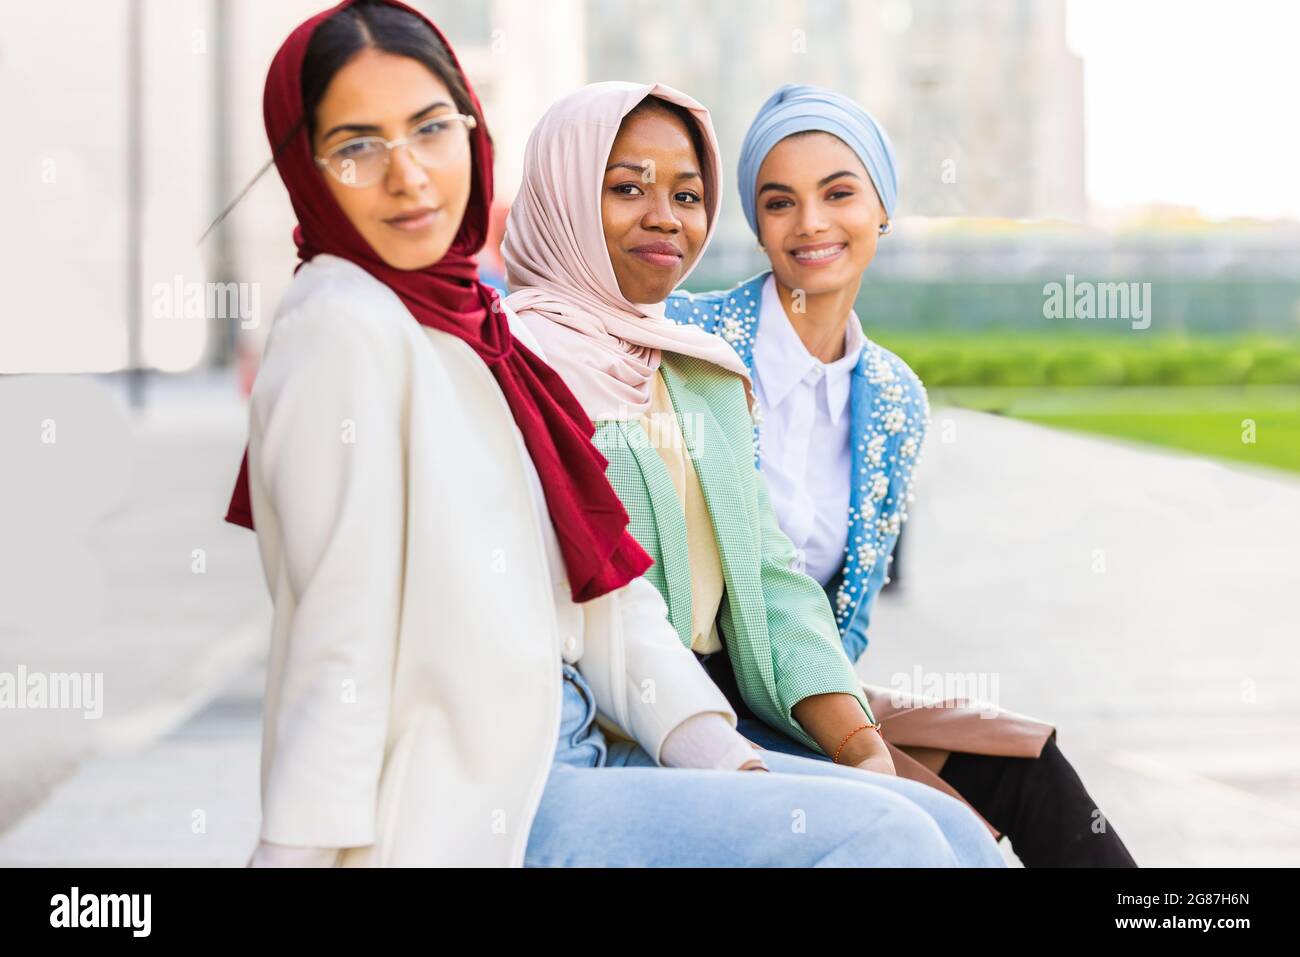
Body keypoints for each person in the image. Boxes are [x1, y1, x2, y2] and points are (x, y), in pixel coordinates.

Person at [224, 0, 1001, 868]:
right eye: (358, 145)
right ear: (307, 167)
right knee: (888, 837)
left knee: (948, 827)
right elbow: (338, 646)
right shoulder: (345, 326)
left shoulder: (469, 324)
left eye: (431, 129)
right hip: (479, 802)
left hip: (593, 745)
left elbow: (607, 598)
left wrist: (734, 764)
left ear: (471, 136)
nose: (409, 176)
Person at [501, 80, 1005, 865]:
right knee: (891, 838)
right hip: (595, 737)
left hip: (698, 716)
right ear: (565, 195)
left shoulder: (698, 370)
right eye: (626, 187)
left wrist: (861, 744)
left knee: (957, 833)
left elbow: (769, 582)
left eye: (687, 194)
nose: (665, 215)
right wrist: (737, 759)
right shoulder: (517, 363)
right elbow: (607, 616)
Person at [664, 84, 1137, 867]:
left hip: (810, 693)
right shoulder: (692, 339)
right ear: (756, 224)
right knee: (944, 829)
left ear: (881, 207)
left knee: (1030, 767)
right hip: (695, 691)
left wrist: (839, 718)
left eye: (839, 193)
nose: (811, 222)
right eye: (780, 203)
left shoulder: (893, 396)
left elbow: (848, 615)